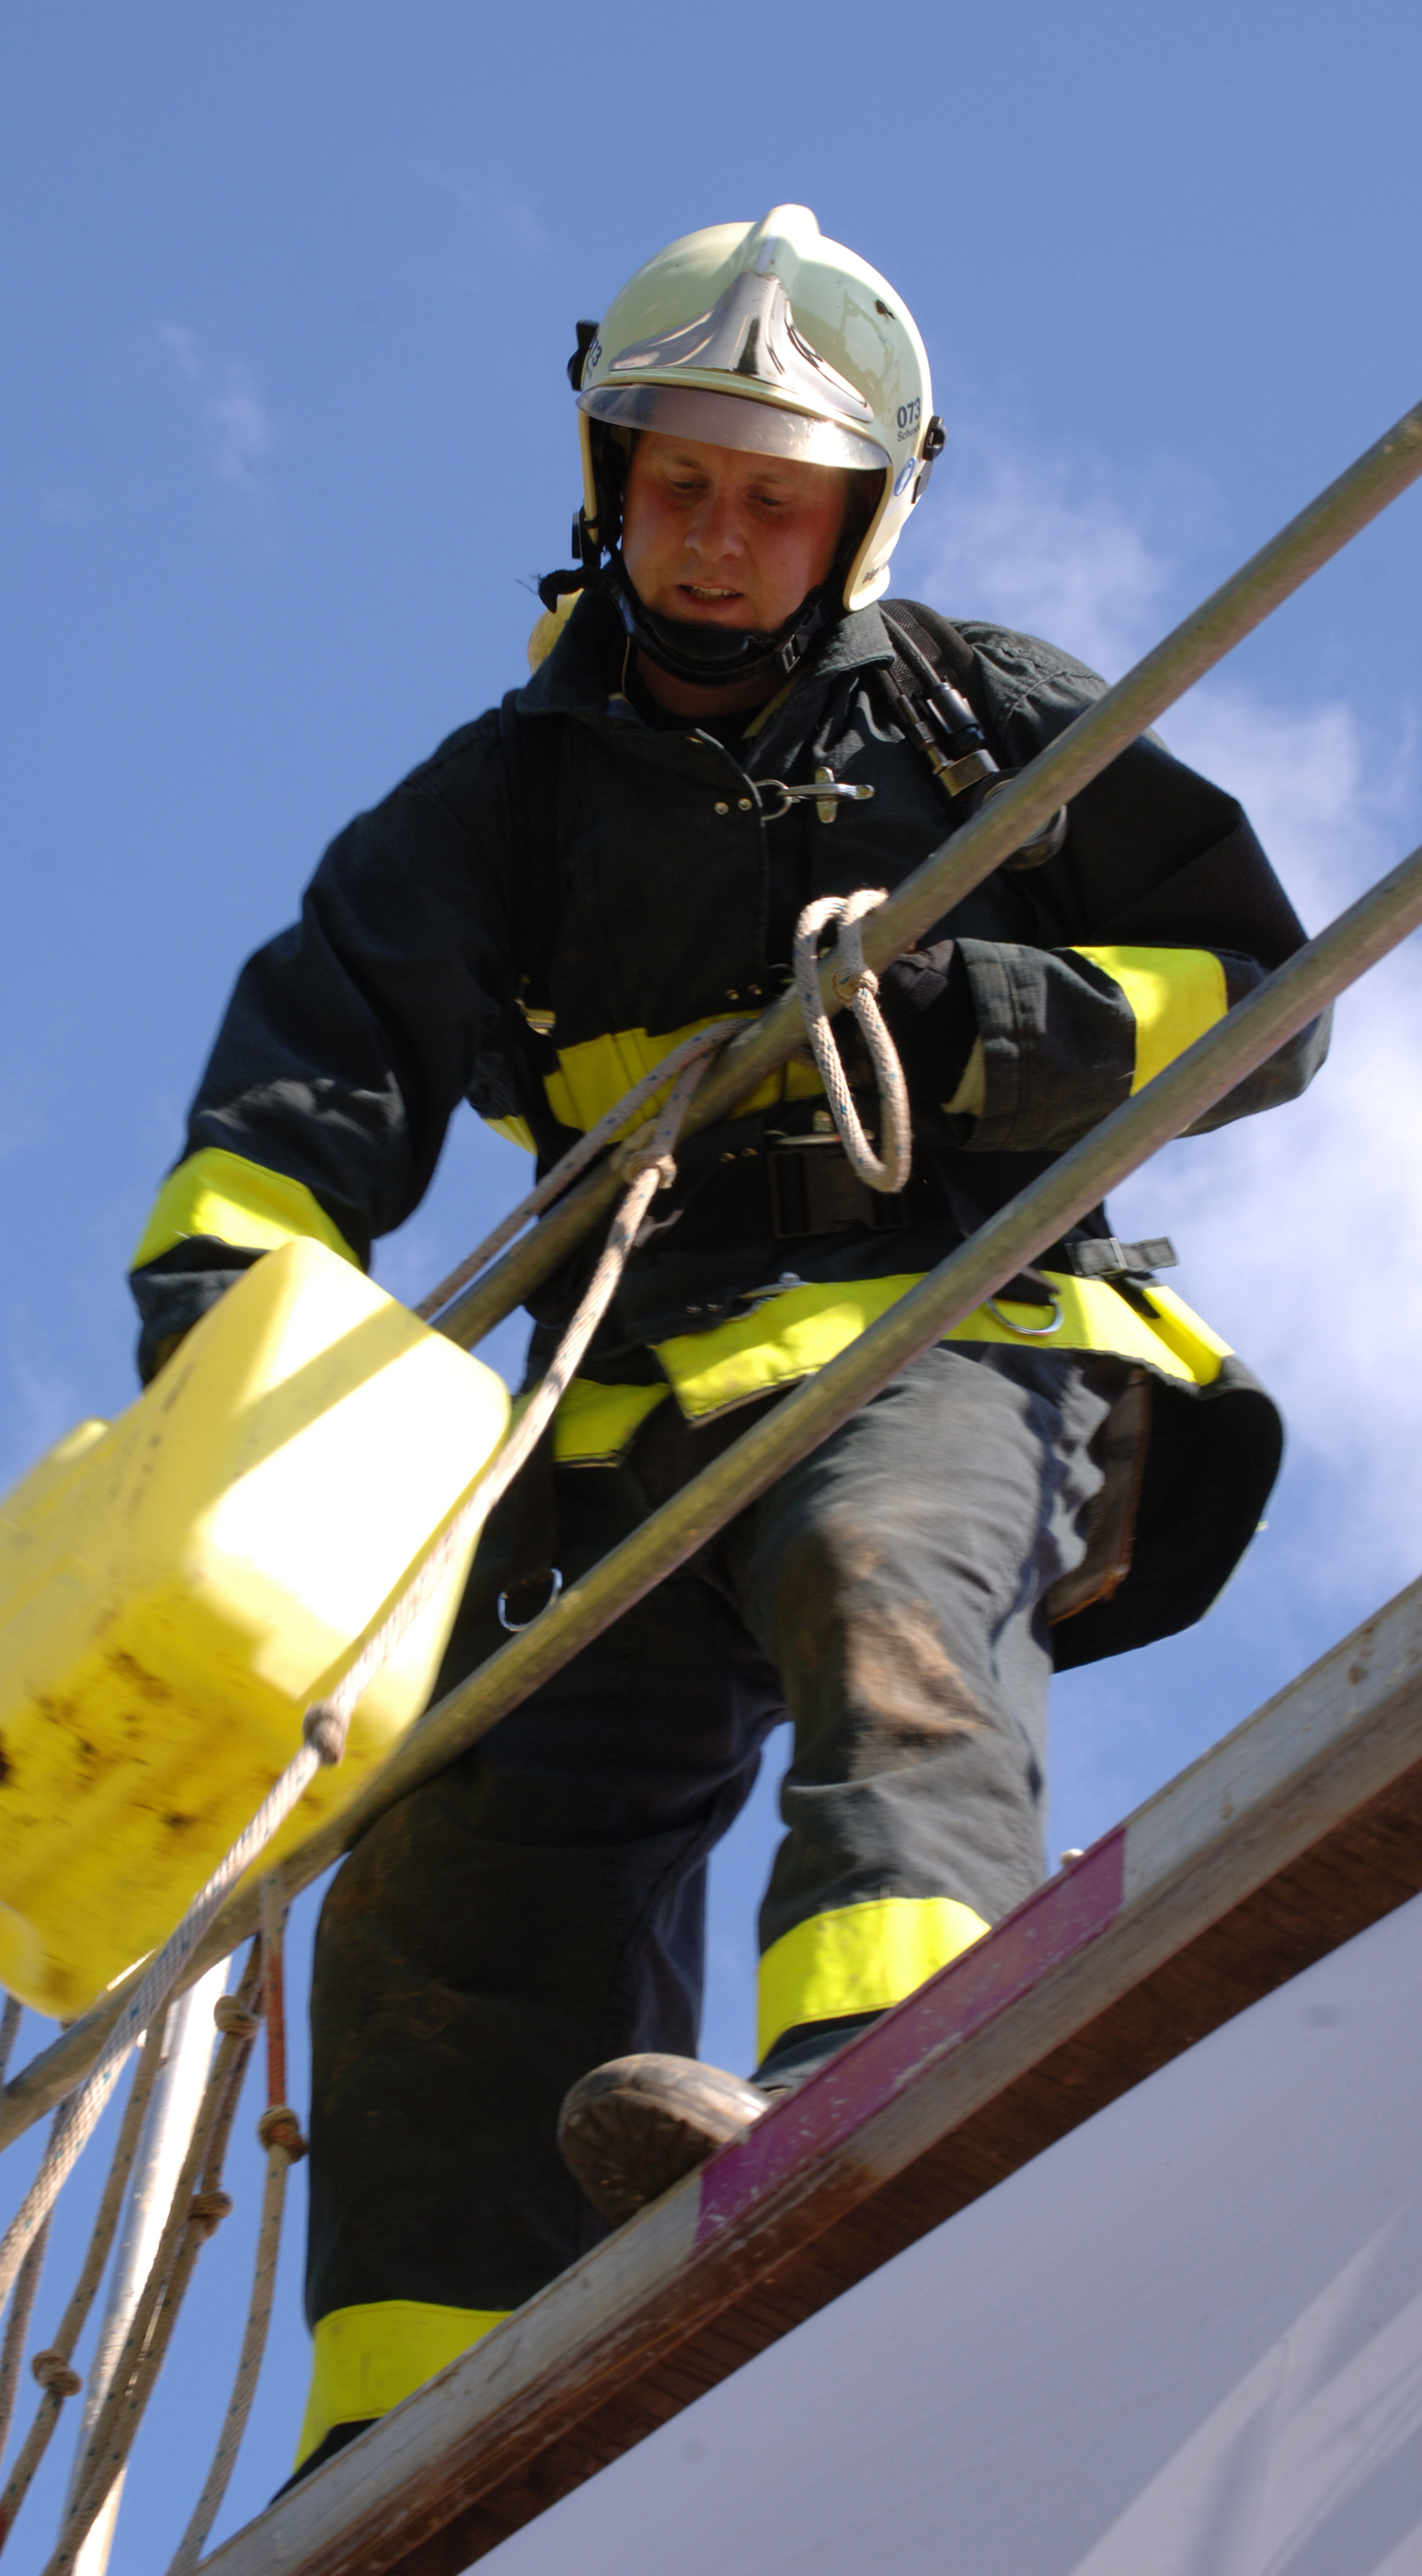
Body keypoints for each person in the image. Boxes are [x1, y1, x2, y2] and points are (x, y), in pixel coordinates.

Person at [127, 206, 1327, 2480]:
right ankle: (411, 2418)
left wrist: (995, 1012)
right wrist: (221, 1368)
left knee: (887, 1589)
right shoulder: (495, 808)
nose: (714, 534)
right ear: (608, 477)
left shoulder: (978, 713)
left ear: (858, 518)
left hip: (943, 1324)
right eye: (679, 479)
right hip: (619, 1397)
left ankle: (884, 2094)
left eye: (772, 495)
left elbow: (1258, 988)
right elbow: (284, 1128)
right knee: (452, 1853)